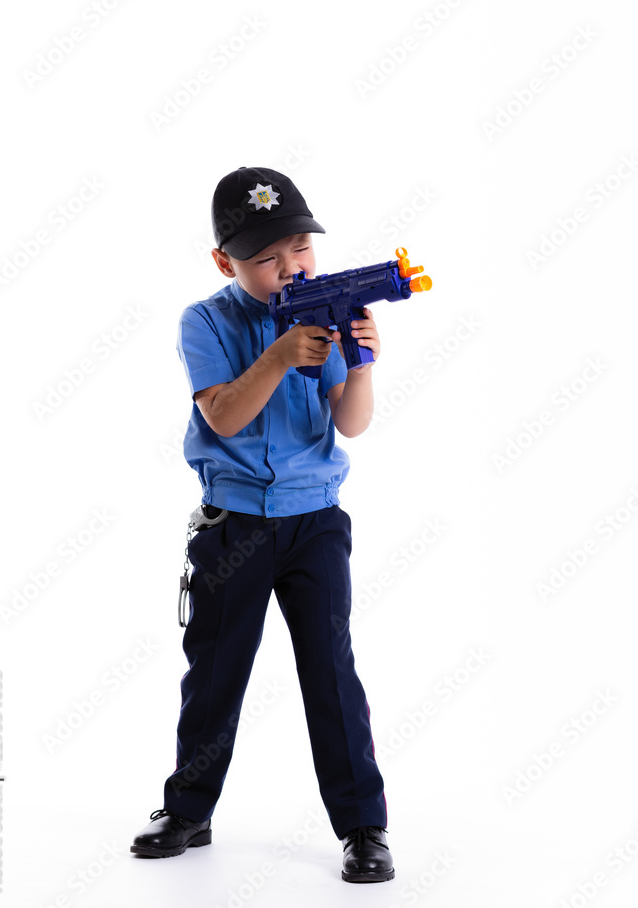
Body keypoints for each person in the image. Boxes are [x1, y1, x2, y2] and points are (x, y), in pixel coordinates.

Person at [130, 166, 395, 883]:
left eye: (299, 249)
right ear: (225, 262)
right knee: (214, 673)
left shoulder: (326, 313)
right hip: (233, 527)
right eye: (265, 258)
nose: (289, 268)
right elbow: (221, 414)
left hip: (314, 525)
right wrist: (279, 355)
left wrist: (359, 362)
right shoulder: (207, 322)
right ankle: (188, 809)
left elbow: (352, 423)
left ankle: (362, 826)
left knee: (330, 674)